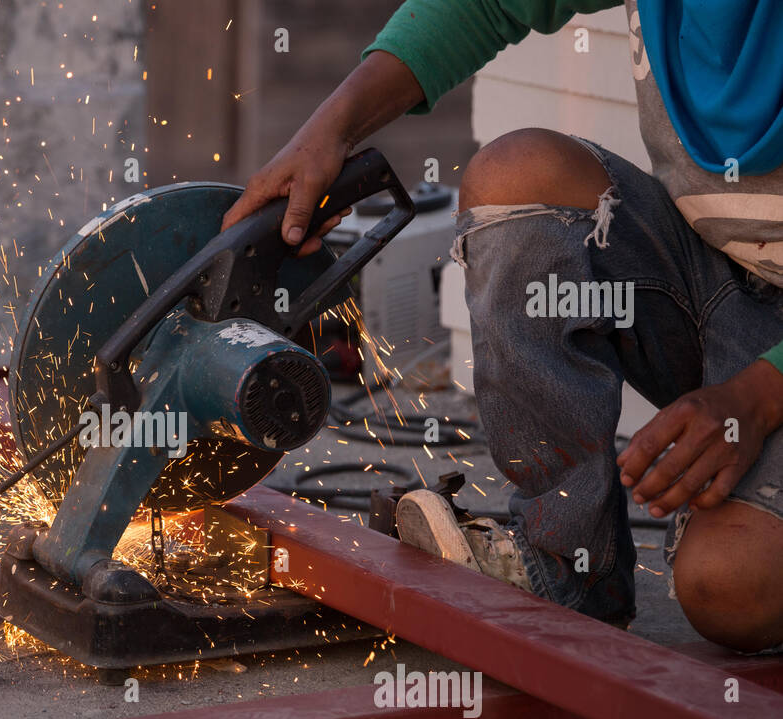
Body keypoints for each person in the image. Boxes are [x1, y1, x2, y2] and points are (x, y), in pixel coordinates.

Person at [222, 0, 783, 651]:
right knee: (516, 178)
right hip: (722, 279)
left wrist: (757, 396)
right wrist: (329, 132)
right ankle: (569, 569)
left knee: (728, 587)